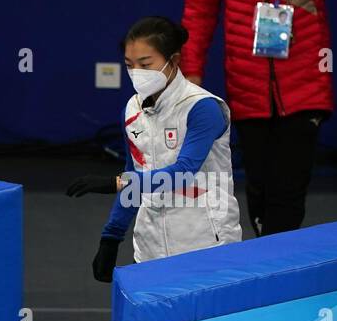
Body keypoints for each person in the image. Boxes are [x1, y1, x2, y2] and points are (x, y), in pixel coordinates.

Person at [181, 0, 337, 236]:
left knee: (288, 193)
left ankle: (278, 265)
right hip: (247, 87)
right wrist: (192, 76)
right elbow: (198, 8)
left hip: (306, 84)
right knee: (258, 188)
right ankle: (269, 252)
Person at [68, 17, 241, 281]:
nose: (136, 72)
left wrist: (115, 183)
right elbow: (134, 170)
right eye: (129, 65)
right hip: (150, 247)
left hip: (205, 243)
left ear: (173, 61)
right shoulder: (132, 109)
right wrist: (111, 237)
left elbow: (184, 171)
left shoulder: (203, 108)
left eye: (146, 64)